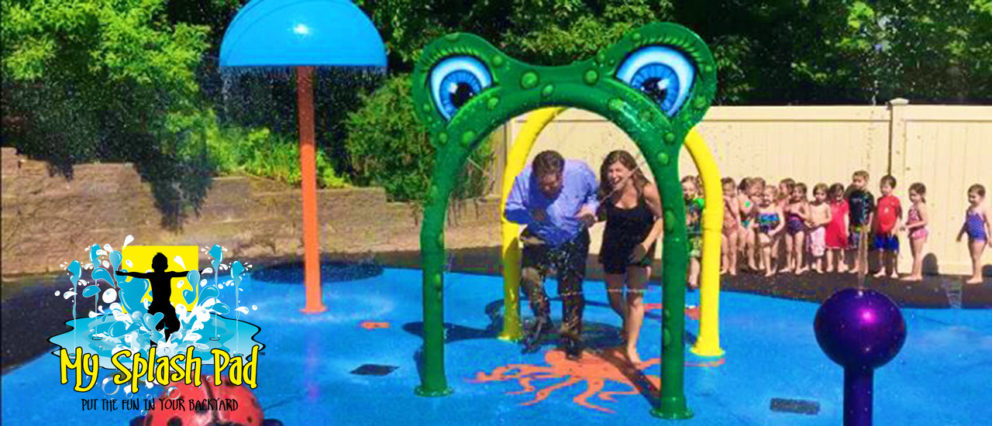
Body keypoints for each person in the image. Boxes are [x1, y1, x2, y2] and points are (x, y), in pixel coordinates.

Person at [504, 150, 599, 359]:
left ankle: (571, 334)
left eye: (552, 184)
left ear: (562, 174)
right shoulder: (524, 179)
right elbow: (509, 211)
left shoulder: (580, 172)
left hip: (573, 235)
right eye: (542, 185)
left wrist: (590, 209)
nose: (547, 189)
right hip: (539, 234)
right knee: (528, 277)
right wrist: (528, 214)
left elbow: (595, 195)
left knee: (571, 287)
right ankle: (543, 316)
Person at [596, 150, 664, 365]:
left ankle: (631, 346)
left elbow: (662, 217)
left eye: (618, 170)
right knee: (614, 297)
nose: (613, 175)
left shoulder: (646, 190)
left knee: (635, 299)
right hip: (614, 245)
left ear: (631, 170)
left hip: (640, 246)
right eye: (610, 170)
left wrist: (646, 245)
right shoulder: (607, 191)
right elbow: (598, 213)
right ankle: (628, 321)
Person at [116, 253, 190, 342]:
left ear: (153, 266)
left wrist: (124, 273)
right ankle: (164, 339)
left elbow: (138, 274)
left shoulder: (152, 275)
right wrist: (194, 273)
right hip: (165, 306)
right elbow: (182, 273)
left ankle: (156, 340)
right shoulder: (168, 274)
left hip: (156, 307)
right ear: (166, 266)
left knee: (154, 328)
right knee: (172, 327)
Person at [956, 184, 990, 284]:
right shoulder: (969, 209)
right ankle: (975, 275)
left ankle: (978, 277)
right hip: (970, 235)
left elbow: (989, 223)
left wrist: (990, 237)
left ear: (982, 197)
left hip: (979, 236)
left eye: (973, 197)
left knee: (976, 257)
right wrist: (961, 233)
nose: (970, 199)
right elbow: (966, 223)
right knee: (973, 257)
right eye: (969, 197)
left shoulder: (983, 209)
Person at [873, 175, 902, 279]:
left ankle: (894, 270)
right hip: (880, 230)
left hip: (891, 231)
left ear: (892, 188)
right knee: (881, 251)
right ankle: (882, 269)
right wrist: (874, 228)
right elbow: (877, 215)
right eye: (881, 187)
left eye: (886, 187)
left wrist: (895, 228)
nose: (883, 189)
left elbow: (899, 216)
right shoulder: (879, 200)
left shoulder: (895, 201)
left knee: (893, 251)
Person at [846, 170, 875, 274]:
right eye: (854, 181)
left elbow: (871, 211)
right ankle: (856, 266)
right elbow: (849, 210)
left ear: (866, 181)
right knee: (854, 246)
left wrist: (869, 224)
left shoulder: (868, 196)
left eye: (859, 181)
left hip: (863, 225)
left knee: (863, 247)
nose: (856, 183)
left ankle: (864, 267)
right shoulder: (852, 195)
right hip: (853, 224)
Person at [901, 182, 929, 282]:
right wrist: (906, 224)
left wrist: (910, 226)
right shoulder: (913, 206)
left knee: (917, 254)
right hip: (913, 231)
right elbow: (912, 219)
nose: (912, 197)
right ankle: (918, 274)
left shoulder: (921, 206)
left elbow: (925, 221)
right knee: (915, 254)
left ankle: (914, 275)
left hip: (919, 232)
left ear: (922, 195)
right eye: (910, 195)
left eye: (914, 195)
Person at [756, 186, 785, 277]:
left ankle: (774, 266)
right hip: (763, 231)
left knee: (773, 254)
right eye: (763, 195)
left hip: (775, 232)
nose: (765, 198)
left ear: (774, 197)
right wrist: (749, 200)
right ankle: (767, 270)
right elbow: (748, 207)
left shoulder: (776, 208)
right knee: (766, 250)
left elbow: (782, 223)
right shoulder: (759, 207)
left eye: (768, 196)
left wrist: (775, 231)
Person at [683, 176, 705, 289]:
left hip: (696, 234)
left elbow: (698, 205)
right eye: (684, 190)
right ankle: (686, 277)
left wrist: (690, 212)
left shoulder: (698, 201)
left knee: (694, 256)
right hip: (683, 235)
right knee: (684, 257)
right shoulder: (679, 202)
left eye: (691, 190)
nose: (688, 193)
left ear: (696, 190)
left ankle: (693, 279)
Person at [783, 183, 810, 274]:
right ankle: (788, 266)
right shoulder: (790, 203)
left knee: (798, 249)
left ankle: (798, 267)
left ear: (803, 194)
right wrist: (786, 207)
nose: (796, 194)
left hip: (799, 227)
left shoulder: (803, 204)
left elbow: (807, 217)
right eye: (794, 192)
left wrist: (798, 213)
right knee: (788, 249)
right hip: (789, 227)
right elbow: (784, 212)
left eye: (799, 192)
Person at [807, 183, 832, 273]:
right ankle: (809, 265)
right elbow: (807, 215)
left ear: (826, 195)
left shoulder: (826, 206)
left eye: (822, 194)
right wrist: (807, 223)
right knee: (809, 246)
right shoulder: (810, 204)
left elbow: (829, 218)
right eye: (817, 193)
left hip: (819, 229)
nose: (819, 196)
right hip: (810, 228)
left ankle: (818, 266)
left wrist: (820, 223)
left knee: (819, 247)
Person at [825, 183, 850, 273]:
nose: (837, 197)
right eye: (835, 195)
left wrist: (846, 229)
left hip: (840, 228)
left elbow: (846, 217)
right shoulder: (828, 204)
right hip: (829, 228)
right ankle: (830, 265)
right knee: (829, 248)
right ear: (831, 194)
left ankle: (840, 264)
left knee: (840, 248)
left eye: (839, 195)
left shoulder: (844, 204)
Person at [737, 178, 758, 272]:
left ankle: (751, 262)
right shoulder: (741, 197)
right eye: (754, 188)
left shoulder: (749, 198)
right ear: (747, 188)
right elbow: (745, 211)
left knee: (751, 243)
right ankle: (739, 262)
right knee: (741, 245)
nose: (755, 191)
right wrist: (754, 203)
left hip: (749, 224)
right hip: (741, 223)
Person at [721, 177, 741, 276]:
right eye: (723, 190)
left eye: (728, 190)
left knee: (732, 250)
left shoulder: (734, 200)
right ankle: (725, 267)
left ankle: (732, 267)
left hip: (732, 227)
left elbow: (736, 212)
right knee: (724, 250)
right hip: (722, 227)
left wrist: (729, 202)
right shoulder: (719, 200)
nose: (725, 193)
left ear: (733, 190)